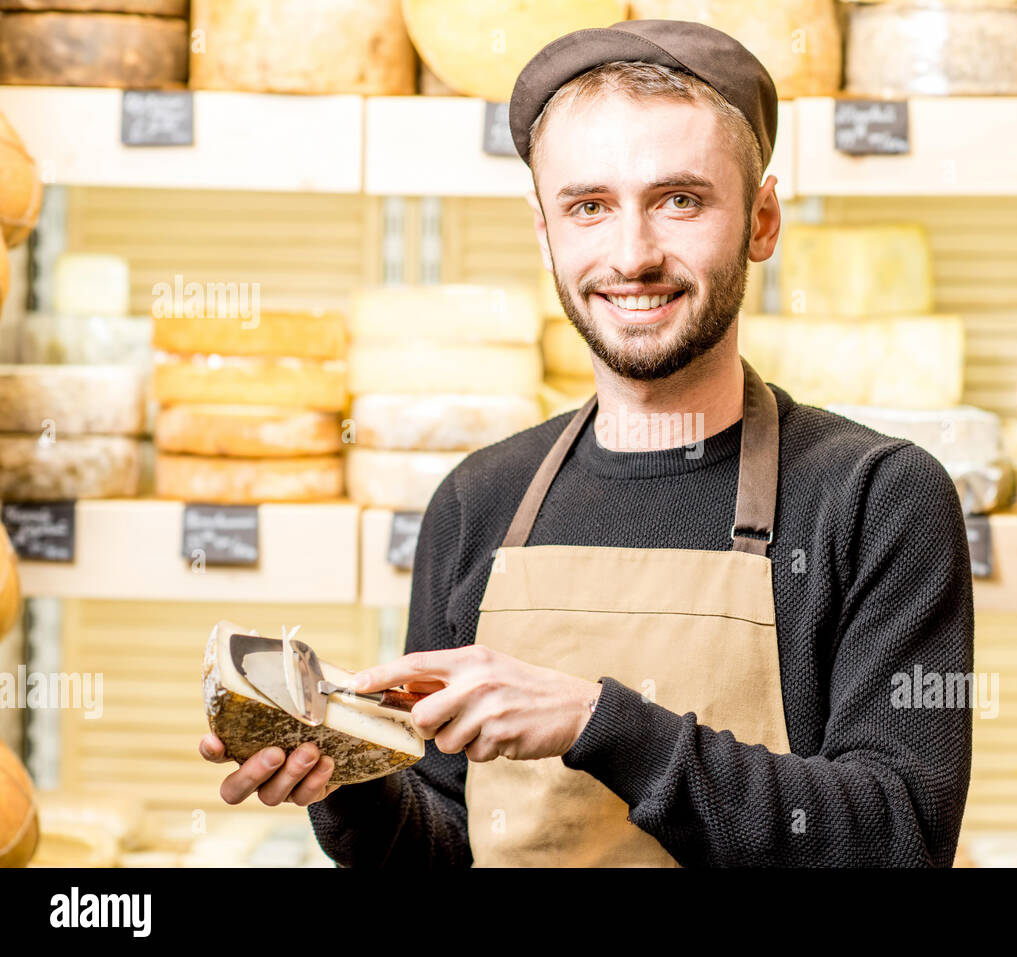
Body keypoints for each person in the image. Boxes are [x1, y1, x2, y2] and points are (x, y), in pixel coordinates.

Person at [199, 19, 974, 867]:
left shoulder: (877, 496)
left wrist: (595, 722)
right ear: (545, 234)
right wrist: (347, 779)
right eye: (589, 207)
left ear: (761, 220)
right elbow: (452, 843)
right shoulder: (477, 500)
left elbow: (901, 837)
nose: (632, 255)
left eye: (679, 200)